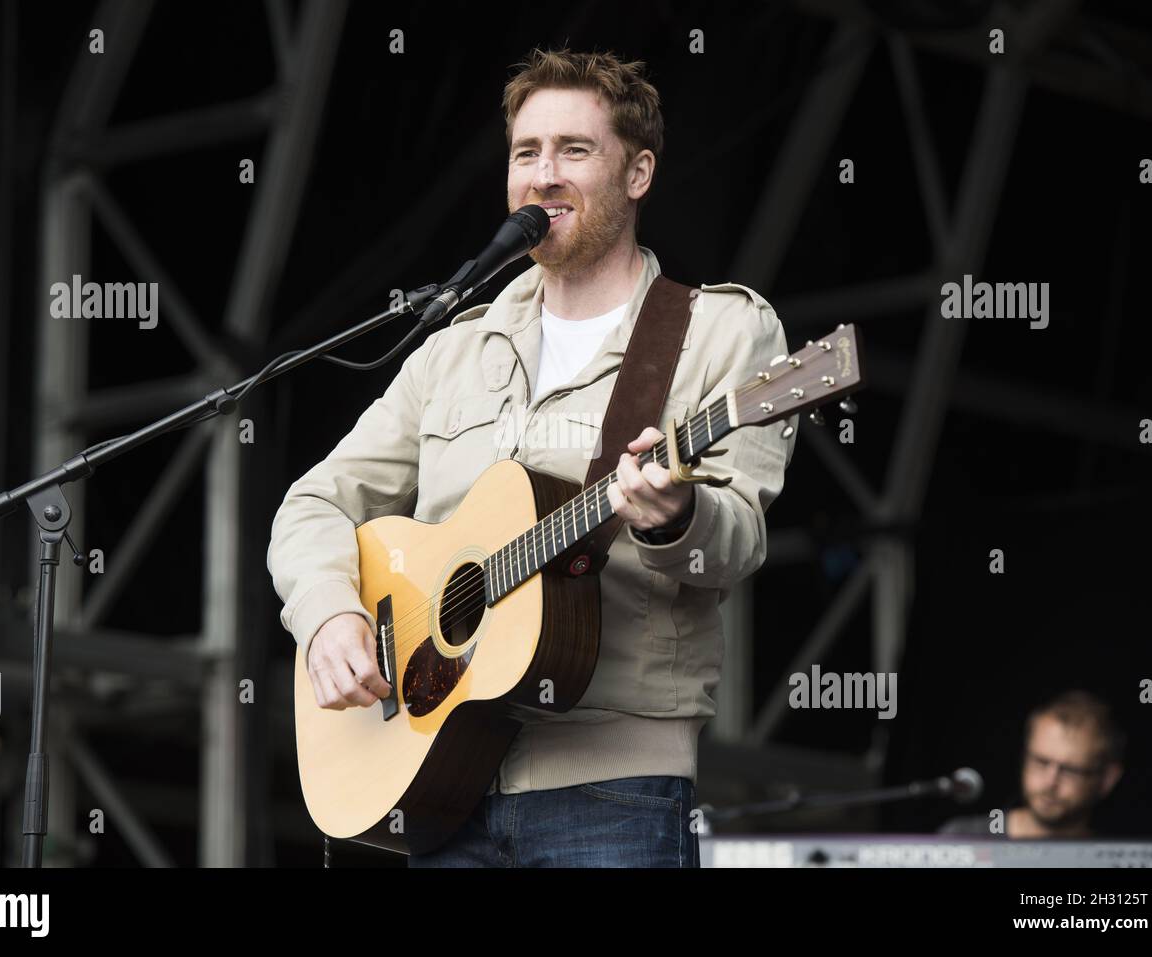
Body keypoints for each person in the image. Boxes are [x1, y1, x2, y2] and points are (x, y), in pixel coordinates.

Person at [267, 47, 795, 867]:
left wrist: (675, 516)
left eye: (574, 151)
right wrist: (330, 612)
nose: (543, 175)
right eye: (526, 153)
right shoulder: (454, 351)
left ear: (639, 172)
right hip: (441, 776)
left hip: (615, 792)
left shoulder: (721, 331)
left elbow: (738, 543)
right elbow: (315, 503)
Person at [939, 690, 1125, 839]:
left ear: (1107, 779)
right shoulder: (962, 839)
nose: (1050, 782)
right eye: (1041, 762)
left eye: (1070, 770)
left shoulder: (1114, 857)